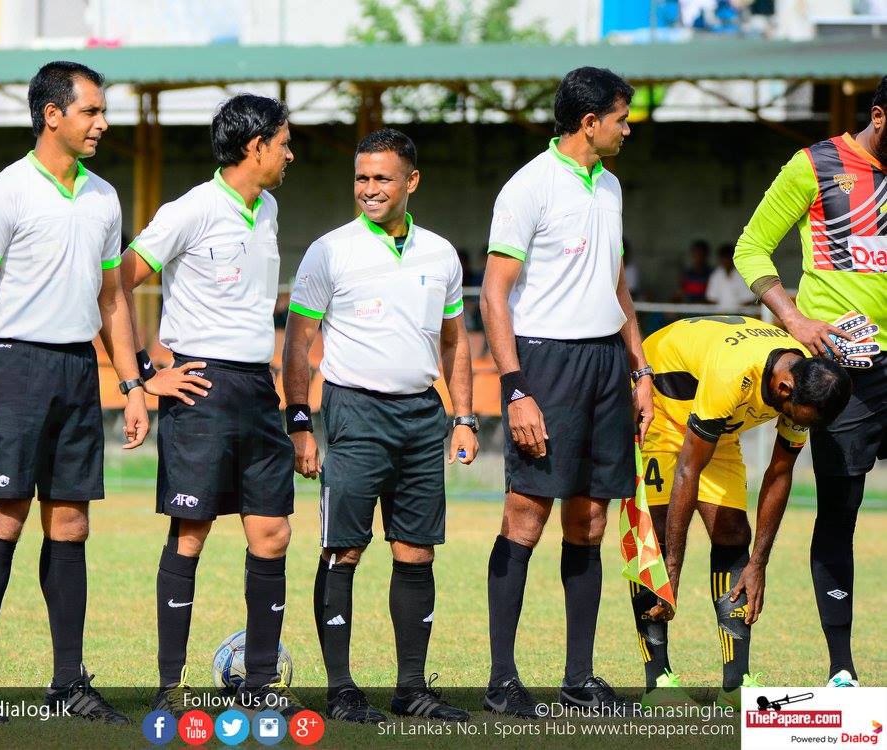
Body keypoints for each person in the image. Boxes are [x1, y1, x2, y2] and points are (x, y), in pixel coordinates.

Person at [0, 61, 147, 723]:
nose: (102, 122)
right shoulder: (4, 192)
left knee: (71, 522)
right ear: (52, 115)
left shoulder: (104, 198)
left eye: (102, 111)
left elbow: (113, 300)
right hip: (12, 369)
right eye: (91, 110)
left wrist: (133, 383)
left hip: (76, 374)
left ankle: (68, 683)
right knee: (3, 517)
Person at [284, 128, 478, 724]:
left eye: (382, 178)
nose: (368, 189)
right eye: (361, 178)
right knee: (343, 549)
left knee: (416, 552)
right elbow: (297, 343)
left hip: (423, 416)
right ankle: (341, 687)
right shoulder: (328, 250)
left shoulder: (441, 253)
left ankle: (411, 688)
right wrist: (300, 422)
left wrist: (463, 416)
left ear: (411, 181)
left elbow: (454, 342)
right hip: (353, 412)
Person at [480, 67, 652, 716]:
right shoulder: (528, 186)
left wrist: (638, 371)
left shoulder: (607, 185)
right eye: (620, 117)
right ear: (589, 122)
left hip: (607, 364)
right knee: (525, 517)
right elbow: (494, 293)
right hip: (545, 367)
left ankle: (577, 681)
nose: (626, 127)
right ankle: (500, 681)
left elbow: (615, 284)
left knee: (590, 519)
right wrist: (515, 389)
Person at [121, 94, 300, 717]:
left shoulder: (269, 207)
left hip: (257, 388)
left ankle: (259, 682)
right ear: (256, 148)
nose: (289, 152)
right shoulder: (191, 209)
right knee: (191, 532)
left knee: (272, 533)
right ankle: (171, 684)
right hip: (198, 387)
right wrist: (145, 377)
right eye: (283, 142)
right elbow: (113, 285)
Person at [734, 75, 887, 688]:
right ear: (879, 116)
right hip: (841, 376)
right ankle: (842, 668)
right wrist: (793, 317)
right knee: (840, 513)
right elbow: (751, 248)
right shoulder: (815, 165)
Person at [635, 316, 850, 709]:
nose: (800, 425)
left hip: (718, 423)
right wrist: (674, 566)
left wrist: (759, 562)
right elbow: (688, 469)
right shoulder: (735, 371)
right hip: (663, 406)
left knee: (733, 532)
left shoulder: (805, 380)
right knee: (659, 531)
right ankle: (659, 683)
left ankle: (734, 687)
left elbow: (780, 471)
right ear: (783, 388)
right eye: (801, 418)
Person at [706, 244, 755, 310]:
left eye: (728, 257)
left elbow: (748, 298)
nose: (726, 261)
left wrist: (736, 310)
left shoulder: (742, 274)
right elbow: (711, 298)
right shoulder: (716, 275)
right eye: (723, 258)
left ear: (733, 258)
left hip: (740, 314)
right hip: (720, 315)